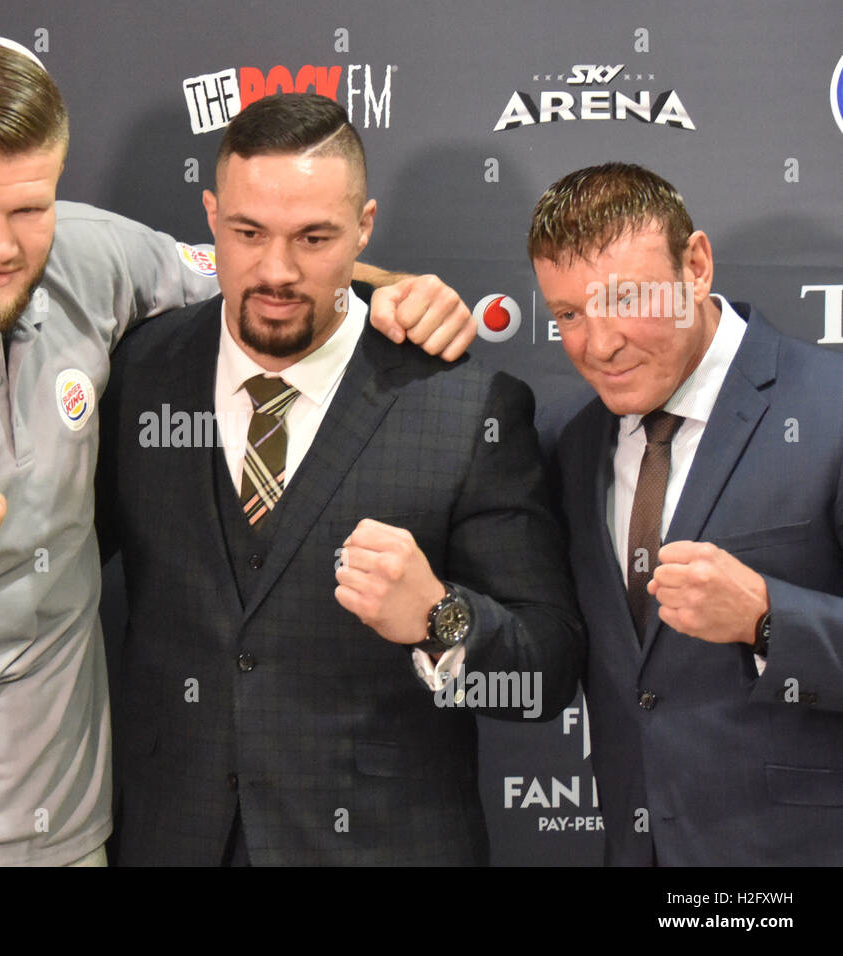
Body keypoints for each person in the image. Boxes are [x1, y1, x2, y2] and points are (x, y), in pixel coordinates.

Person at [0, 41, 474, 866]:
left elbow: (268, 276)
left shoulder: (87, 256)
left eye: (28, 208)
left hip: (77, 839)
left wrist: (396, 292)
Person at [96, 92, 584, 865]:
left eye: (315, 237)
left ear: (364, 227)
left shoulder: (464, 407)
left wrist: (441, 619)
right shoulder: (139, 376)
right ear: (212, 217)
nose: (277, 270)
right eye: (248, 233)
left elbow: (544, 677)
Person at [530, 162, 843, 865]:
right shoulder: (567, 441)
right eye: (569, 314)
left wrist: (770, 619)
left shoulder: (832, 410)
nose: (599, 344)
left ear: (695, 266)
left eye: (625, 299)